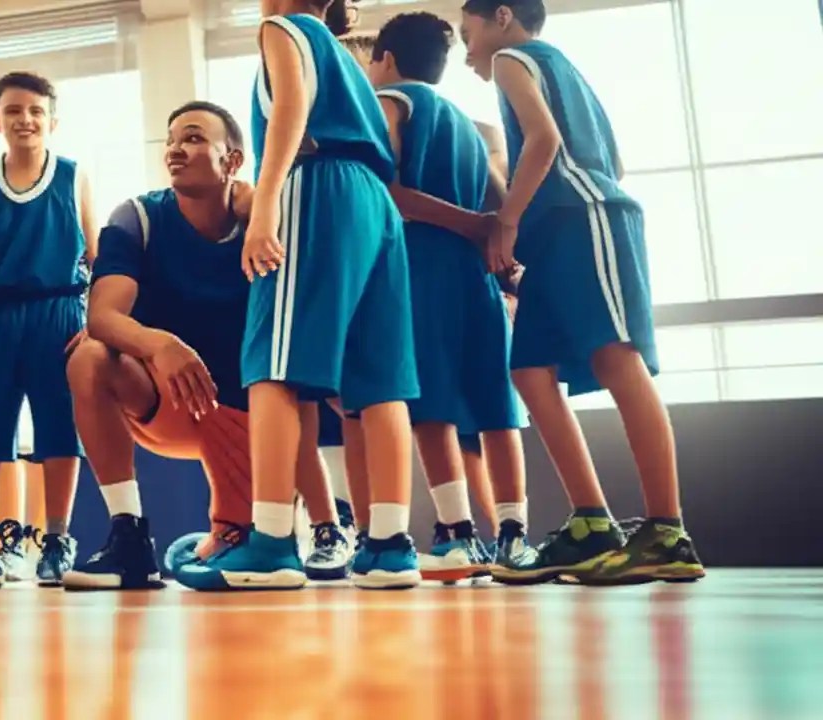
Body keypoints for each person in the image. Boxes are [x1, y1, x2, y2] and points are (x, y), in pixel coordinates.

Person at [177, 0, 422, 592]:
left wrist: (264, 203)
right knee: (377, 377)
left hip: (315, 189)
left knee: (273, 367)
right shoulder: (344, 53)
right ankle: (389, 546)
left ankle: (270, 545)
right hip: (374, 206)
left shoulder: (282, 27)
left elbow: (289, 109)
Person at [460, 0, 704, 584]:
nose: (467, 51)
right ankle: (592, 523)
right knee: (530, 369)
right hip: (559, 231)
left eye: (467, 33)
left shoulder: (513, 59)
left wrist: (508, 220)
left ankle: (667, 532)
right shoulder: (563, 69)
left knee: (617, 358)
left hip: (584, 220)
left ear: (501, 17)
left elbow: (542, 140)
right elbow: (612, 159)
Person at [62, 101, 353, 590]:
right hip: (169, 398)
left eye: (194, 138)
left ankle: (327, 528)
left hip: (249, 414)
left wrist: (256, 205)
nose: (176, 148)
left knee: (285, 380)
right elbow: (102, 316)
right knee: (88, 356)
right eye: (172, 139)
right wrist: (161, 344)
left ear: (232, 161)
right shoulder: (137, 217)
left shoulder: (265, 225)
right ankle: (128, 538)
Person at [364, 11, 532, 582]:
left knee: (430, 406)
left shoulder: (391, 104)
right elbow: (501, 203)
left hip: (423, 269)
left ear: (383, 59)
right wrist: (498, 248)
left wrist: (465, 224)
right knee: (494, 406)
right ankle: (513, 535)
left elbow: (389, 193)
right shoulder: (467, 123)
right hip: (478, 278)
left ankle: (458, 534)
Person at [0, 71, 99, 589]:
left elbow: (98, 258)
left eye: (34, 110)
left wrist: (96, 324)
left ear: (52, 120)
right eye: (13, 111)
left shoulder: (74, 177)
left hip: (60, 316)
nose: (24, 119)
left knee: (60, 429)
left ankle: (57, 543)